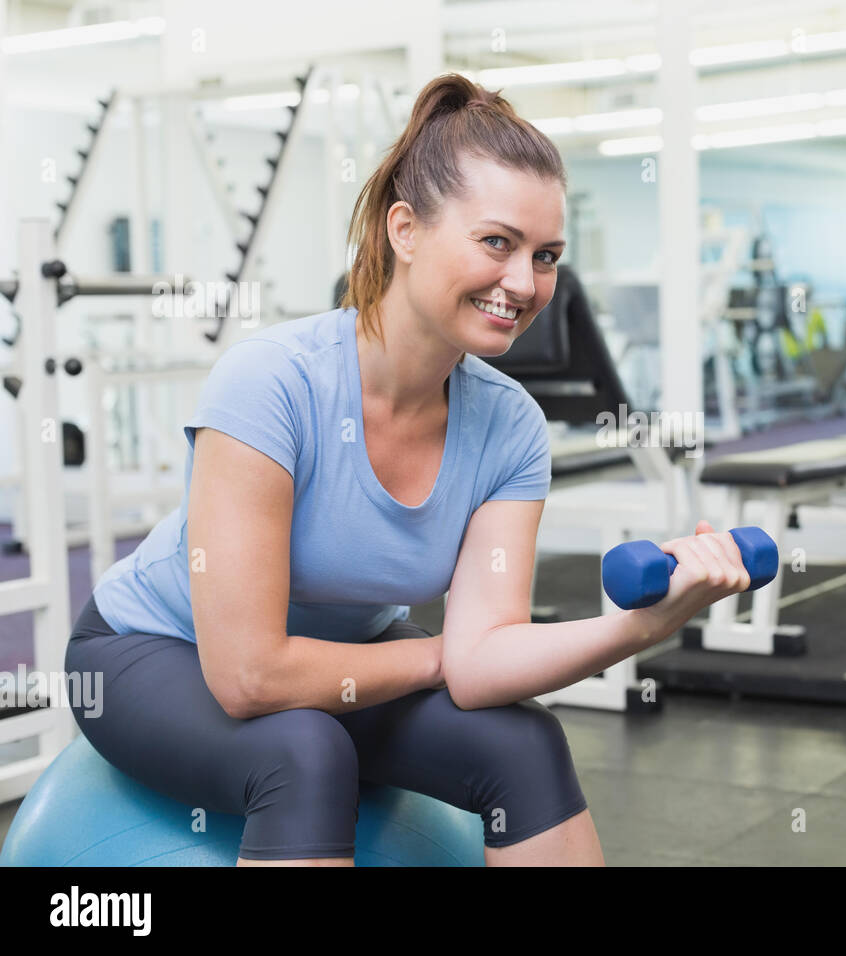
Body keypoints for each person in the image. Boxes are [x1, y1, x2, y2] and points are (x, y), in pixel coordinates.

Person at [63, 73, 752, 867]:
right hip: (155, 655)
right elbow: (250, 676)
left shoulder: (510, 426)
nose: (524, 284)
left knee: (525, 743)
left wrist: (642, 626)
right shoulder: (271, 383)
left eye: (546, 256)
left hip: (342, 667)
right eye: (496, 242)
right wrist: (438, 658)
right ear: (406, 229)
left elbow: (488, 654)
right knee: (304, 753)